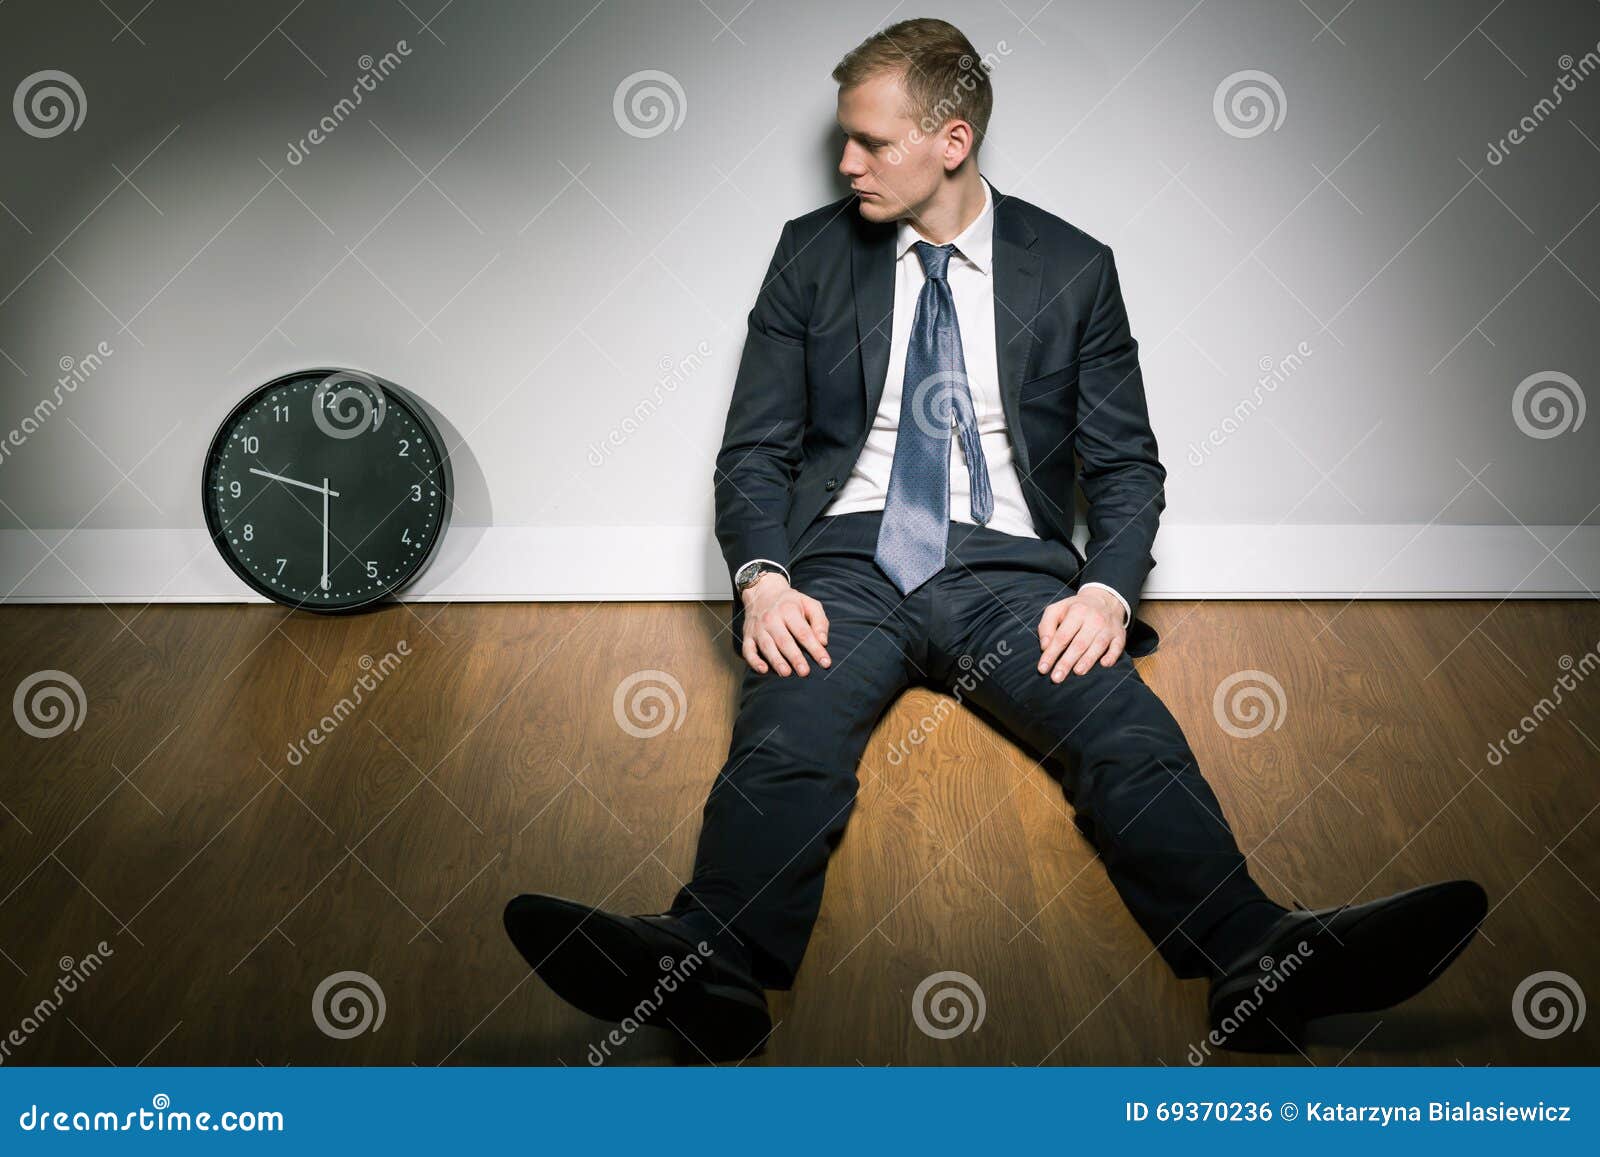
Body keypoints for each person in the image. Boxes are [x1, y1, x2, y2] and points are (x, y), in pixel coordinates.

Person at [504, 17, 1487, 1062]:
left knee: (1123, 731)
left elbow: (1125, 465)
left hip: (1011, 569)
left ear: (951, 141)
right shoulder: (810, 254)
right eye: (844, 139)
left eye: (871, 142)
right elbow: (754, 448)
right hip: (846, 560)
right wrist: (762, 577)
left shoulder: (1071, 268)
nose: (847, 163)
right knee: (786, 736)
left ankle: (1262, 955)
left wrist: (1106, 591)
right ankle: (706, 965)